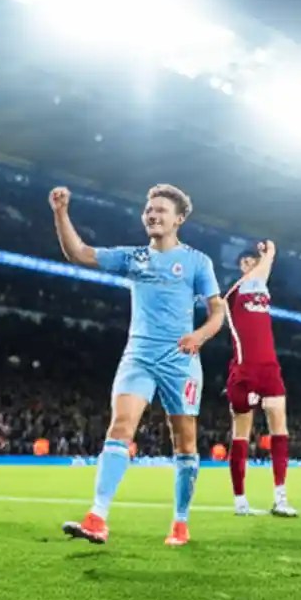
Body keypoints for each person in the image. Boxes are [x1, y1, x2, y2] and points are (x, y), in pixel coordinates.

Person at [54, 184, 225, 547]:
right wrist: (61, 212)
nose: (152, 214)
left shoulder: (198, 261)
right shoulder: (133, 257)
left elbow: (217, 311)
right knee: (121, 426)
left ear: (178, 219)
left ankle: (180, 522)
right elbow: (79, 253)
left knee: (185, 439)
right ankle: (97, 516)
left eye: (161, 210)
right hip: (139, 355)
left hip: (181, 358)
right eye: (149, 209)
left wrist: (200, 336)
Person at [225, 240, 296, 518]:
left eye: (251, 261)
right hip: (244, 371)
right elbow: (259, 274)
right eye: (243, 262)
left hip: (270, 369)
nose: (248, 265)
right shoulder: (233, 292)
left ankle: (280, 498)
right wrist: (270, 255)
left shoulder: (262, 292)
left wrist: (266, 258)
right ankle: (240, 500)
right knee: (241, 434)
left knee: (280, 430)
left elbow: (262, 278)